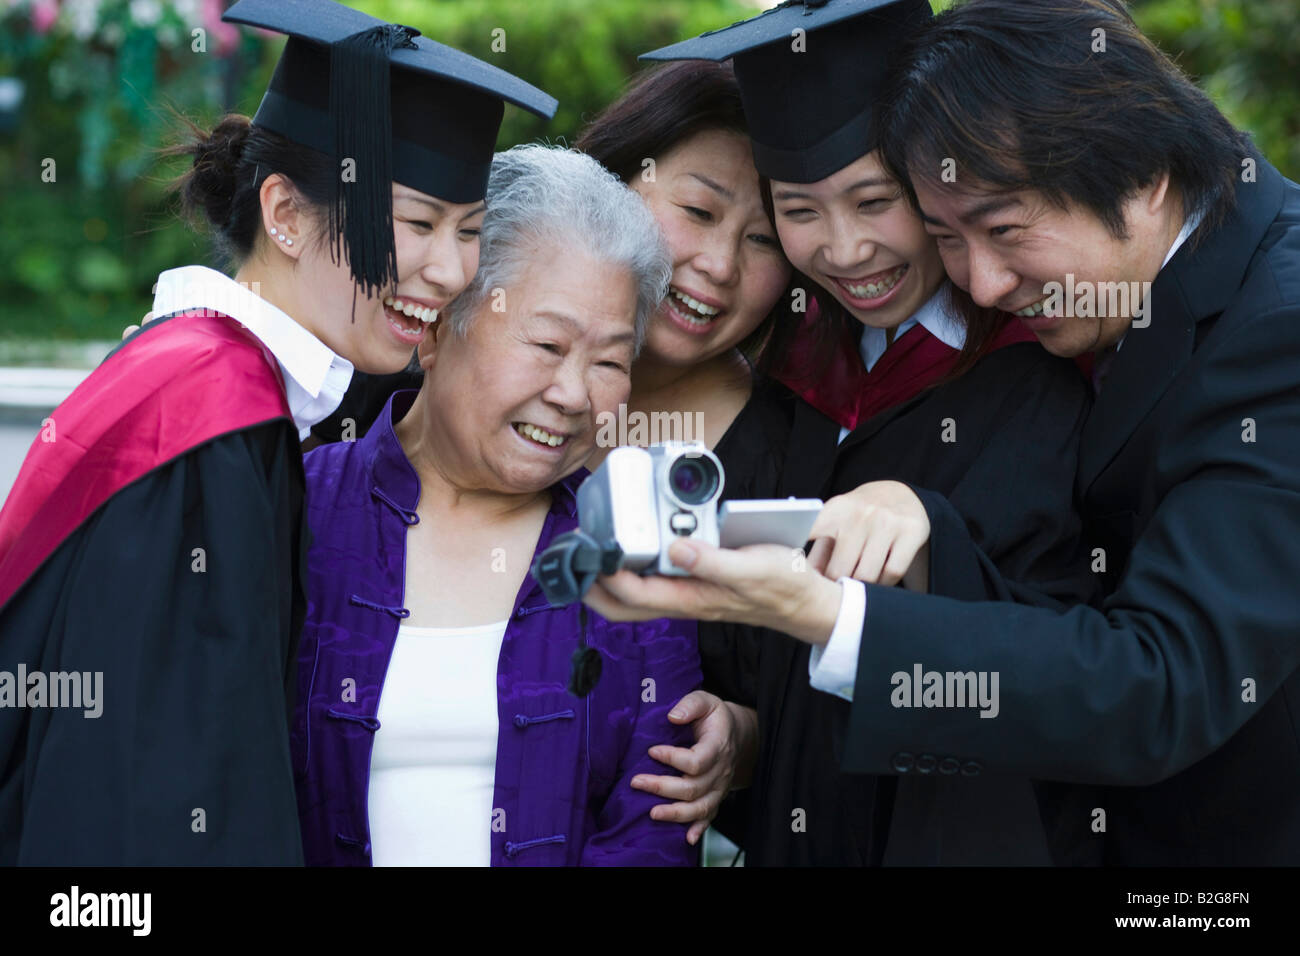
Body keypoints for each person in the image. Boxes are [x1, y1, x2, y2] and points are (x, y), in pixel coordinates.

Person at [598, 0, 1300, 866]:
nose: (988, 280)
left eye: (1001, 229)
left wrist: (841, 606)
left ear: (1145, 175)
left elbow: (1156, 677)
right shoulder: (801, 366)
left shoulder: (1262, 332)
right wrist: (743, 738)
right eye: (949, 234)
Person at [0, 0, 554, 865]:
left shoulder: (191, 370)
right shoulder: (209, 423)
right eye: (415, 224)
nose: (449, 271)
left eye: (470, 231)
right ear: (286, 215)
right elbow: (163, 787)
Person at [291, 145, 700, 866]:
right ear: (439, 326)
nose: (574, 393)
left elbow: (653, 834)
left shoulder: (632, 561)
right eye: (546, 343)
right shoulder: (299, 512)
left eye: (609, 361)